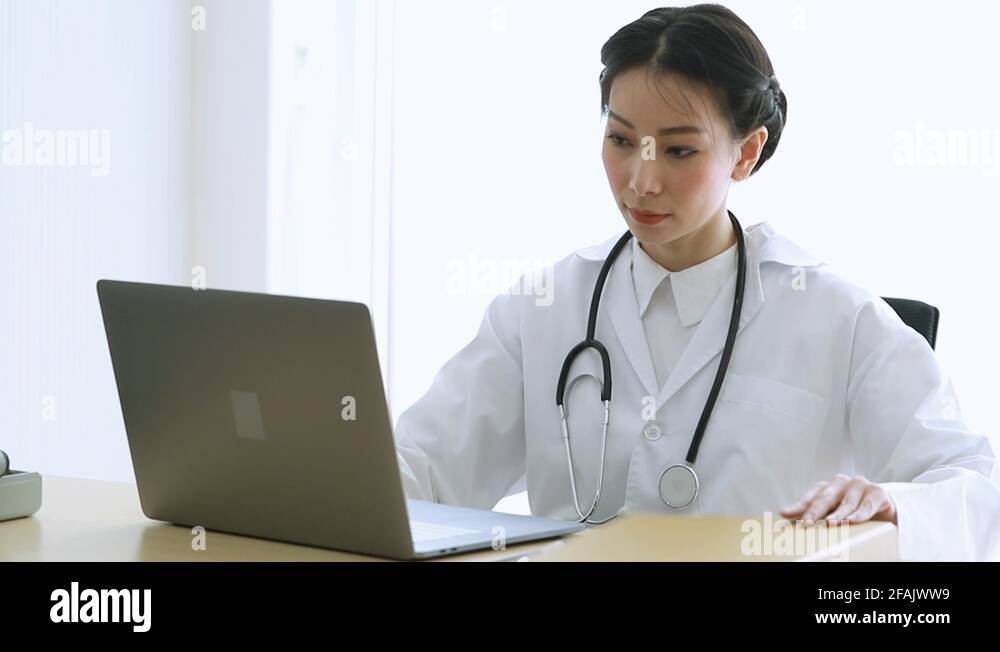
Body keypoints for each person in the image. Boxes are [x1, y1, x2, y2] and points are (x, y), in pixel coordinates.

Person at [394, 4, 999, 560]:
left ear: (746, 153)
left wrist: (896, 506)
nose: (640, 180)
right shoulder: (540, 309)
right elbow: (420, 469)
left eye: (678, 152)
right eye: (621, 140)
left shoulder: (840, 318)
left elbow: (973, 486)